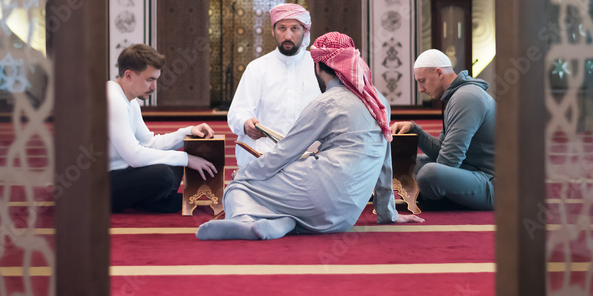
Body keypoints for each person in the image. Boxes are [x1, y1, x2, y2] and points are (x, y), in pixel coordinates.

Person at [197, 32, 424, 241]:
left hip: (320, 193)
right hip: (345, 216)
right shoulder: (379, 101)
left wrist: (247, 173)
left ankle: (244, 220)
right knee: (286, 189)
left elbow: (285, 152)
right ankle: (283, 223)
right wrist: (387, 213)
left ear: (318, 66)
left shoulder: (327, 102)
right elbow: (385, 163)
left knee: (239, 186)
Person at [108, 44, 217, 213]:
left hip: (122, 173)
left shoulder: (130, 101)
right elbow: (134, 156)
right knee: (164, 173)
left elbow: (150, 143)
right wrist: (186, 159)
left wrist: (187, 133)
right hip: (98, 187)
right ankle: (153, 200)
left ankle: (151, 200)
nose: (154, 87)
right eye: (150, 80)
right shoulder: (113, 100)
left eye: (156, 80)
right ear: (128, 75)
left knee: (174, 164)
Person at [390, 49, 495, 210]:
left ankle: (437, 197)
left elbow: (449, 161)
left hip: (491, 183)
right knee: (412, 164)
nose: (420, 89)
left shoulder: (466, 98)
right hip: (471, 170)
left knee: (428, 173)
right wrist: (415, 130)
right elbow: (442, 150)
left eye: (422, 81)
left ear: (439, 73)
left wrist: (418, 177)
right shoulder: (459, 95)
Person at [227, 3, 320, 169]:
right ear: (273, 31)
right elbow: (237, 113)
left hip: (309, 158)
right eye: (282, 28)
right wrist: (246, 124)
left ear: (305, 31)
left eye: (295, 29)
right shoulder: (257, 68)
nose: (287, 35)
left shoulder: (318, 68)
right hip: (264, 156)